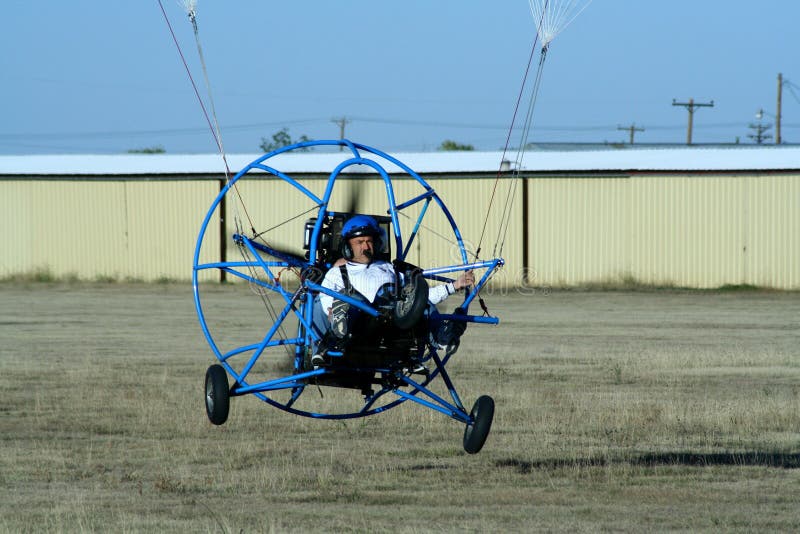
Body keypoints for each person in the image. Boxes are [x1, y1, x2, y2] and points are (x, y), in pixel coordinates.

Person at [311, 214, 473, 367]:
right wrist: (330, 311)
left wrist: (454, 286)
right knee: (346, 297)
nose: (366, 247)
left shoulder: (389, 269)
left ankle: (443, 337)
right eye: (360, 242)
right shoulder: (338, 272)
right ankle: (338, 331)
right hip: (358, 326)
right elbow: (325, 297)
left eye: (369, 241)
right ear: (348, 247)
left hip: (390, 327)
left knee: (419, 301)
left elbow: (420, 297)